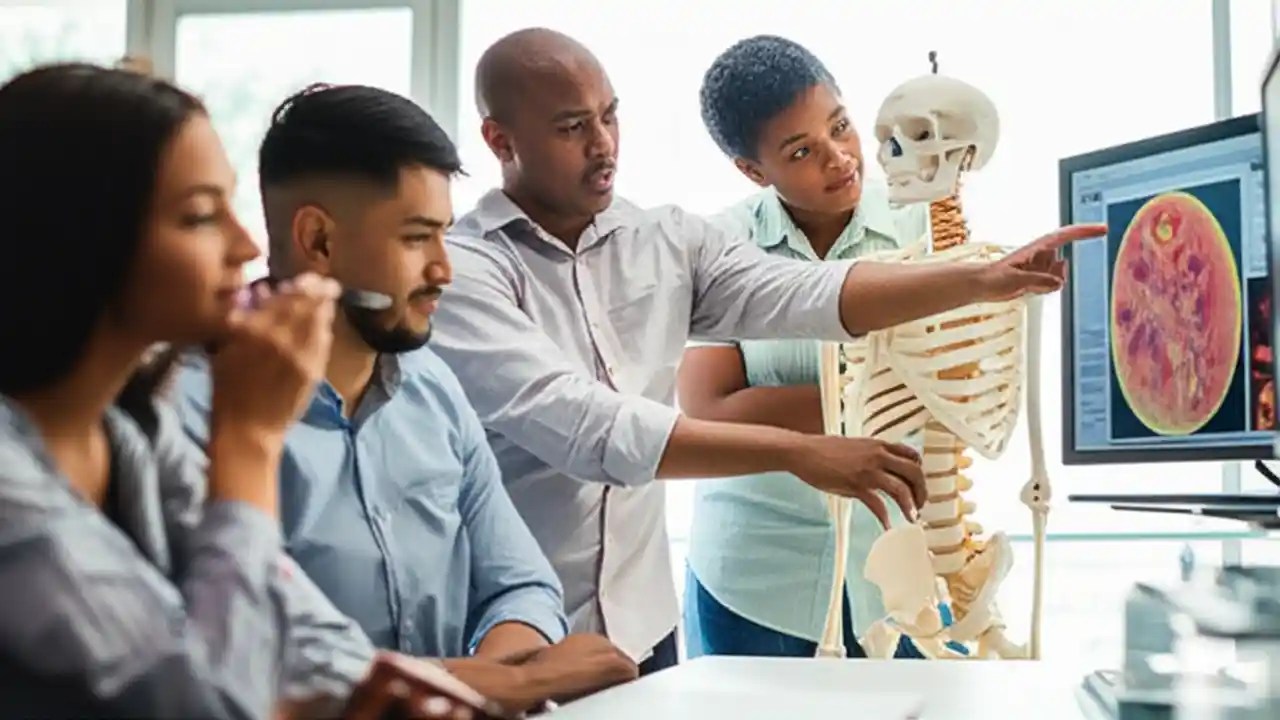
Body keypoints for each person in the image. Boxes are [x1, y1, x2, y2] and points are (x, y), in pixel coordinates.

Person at [429, 26, 1103, 674]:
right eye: (574, 127)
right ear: (499, 138)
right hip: (522, 630)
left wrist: (981, 278)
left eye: (610, 117)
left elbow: (802, 292)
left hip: (643, 628)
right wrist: (803, 450)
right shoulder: (461, 269)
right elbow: (587, 426)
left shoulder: (668, 241)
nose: (604, 145)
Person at [0, 61, 432, 719]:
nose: (247, 245)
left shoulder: (130, 429)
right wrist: (251, 440)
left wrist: (393, 693)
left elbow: (293, 623)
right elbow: (209, 704)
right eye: (201, 215)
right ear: (83, 235)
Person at [169, 82, 613, 675]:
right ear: (317, 241)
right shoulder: (187, 413)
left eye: (444, 233)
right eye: (415, 237)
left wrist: (482, 688)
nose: (443, 270)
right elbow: (249, 661)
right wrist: (512, 683)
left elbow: (521, 587)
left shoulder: (433, 386)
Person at [681, 35, 933, 659]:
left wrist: (776, 410)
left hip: (902, 572)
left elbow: (954, 385)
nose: (840, 158)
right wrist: (879, 398)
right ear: (753, 170)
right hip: (754, 581)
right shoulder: (719, 244)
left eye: (841, 127)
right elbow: (707, 410)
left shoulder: (920, 225)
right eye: (802, 151)